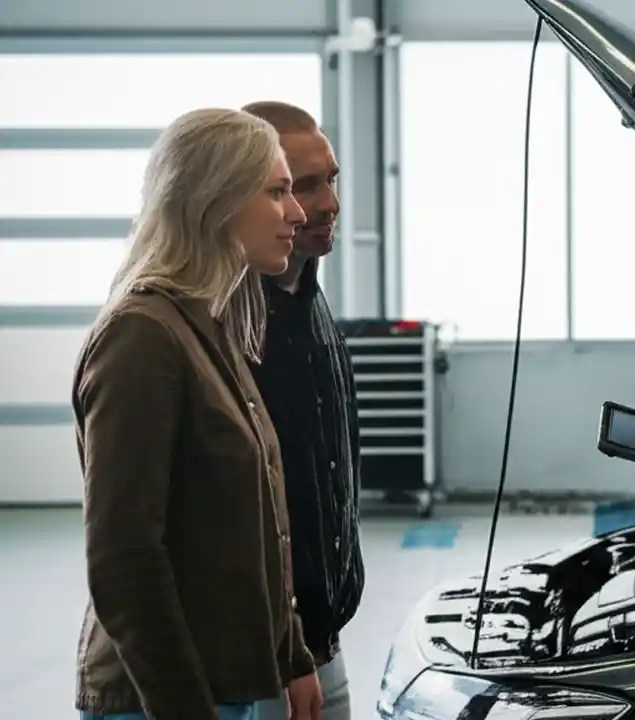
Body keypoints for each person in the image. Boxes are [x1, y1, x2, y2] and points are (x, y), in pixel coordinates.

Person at [73, 107, 323, 719]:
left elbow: (260, 519)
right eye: (277, 191)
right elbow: (125, 556)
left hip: (224, 686)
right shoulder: (142, 335)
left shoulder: (209, 323)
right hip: (157, 701)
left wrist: (293, 657)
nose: (296, 213)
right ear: (216, 199)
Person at [239, 101, 362, 720]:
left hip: (319, 635)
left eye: (329, 180)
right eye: (299, 187)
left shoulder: (308, 296)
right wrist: (285, 648)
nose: (326, 205)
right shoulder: (226, 325)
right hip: (263, 651)